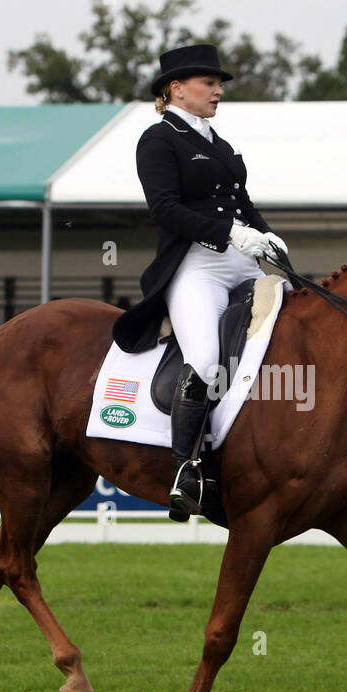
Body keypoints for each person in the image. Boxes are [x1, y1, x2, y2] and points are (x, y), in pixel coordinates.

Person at [111, 44, 288, 519]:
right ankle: (185, 470)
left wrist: (268, 236)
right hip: (196, 266)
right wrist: (229, 232)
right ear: (177, 89)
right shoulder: (158, 139)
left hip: (244, 262)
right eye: (209, 83)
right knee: (208, 361)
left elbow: (242, 202)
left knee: (296, 329)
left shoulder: (219, 143)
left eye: (219, 84)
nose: (218, 91)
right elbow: (165, 209)